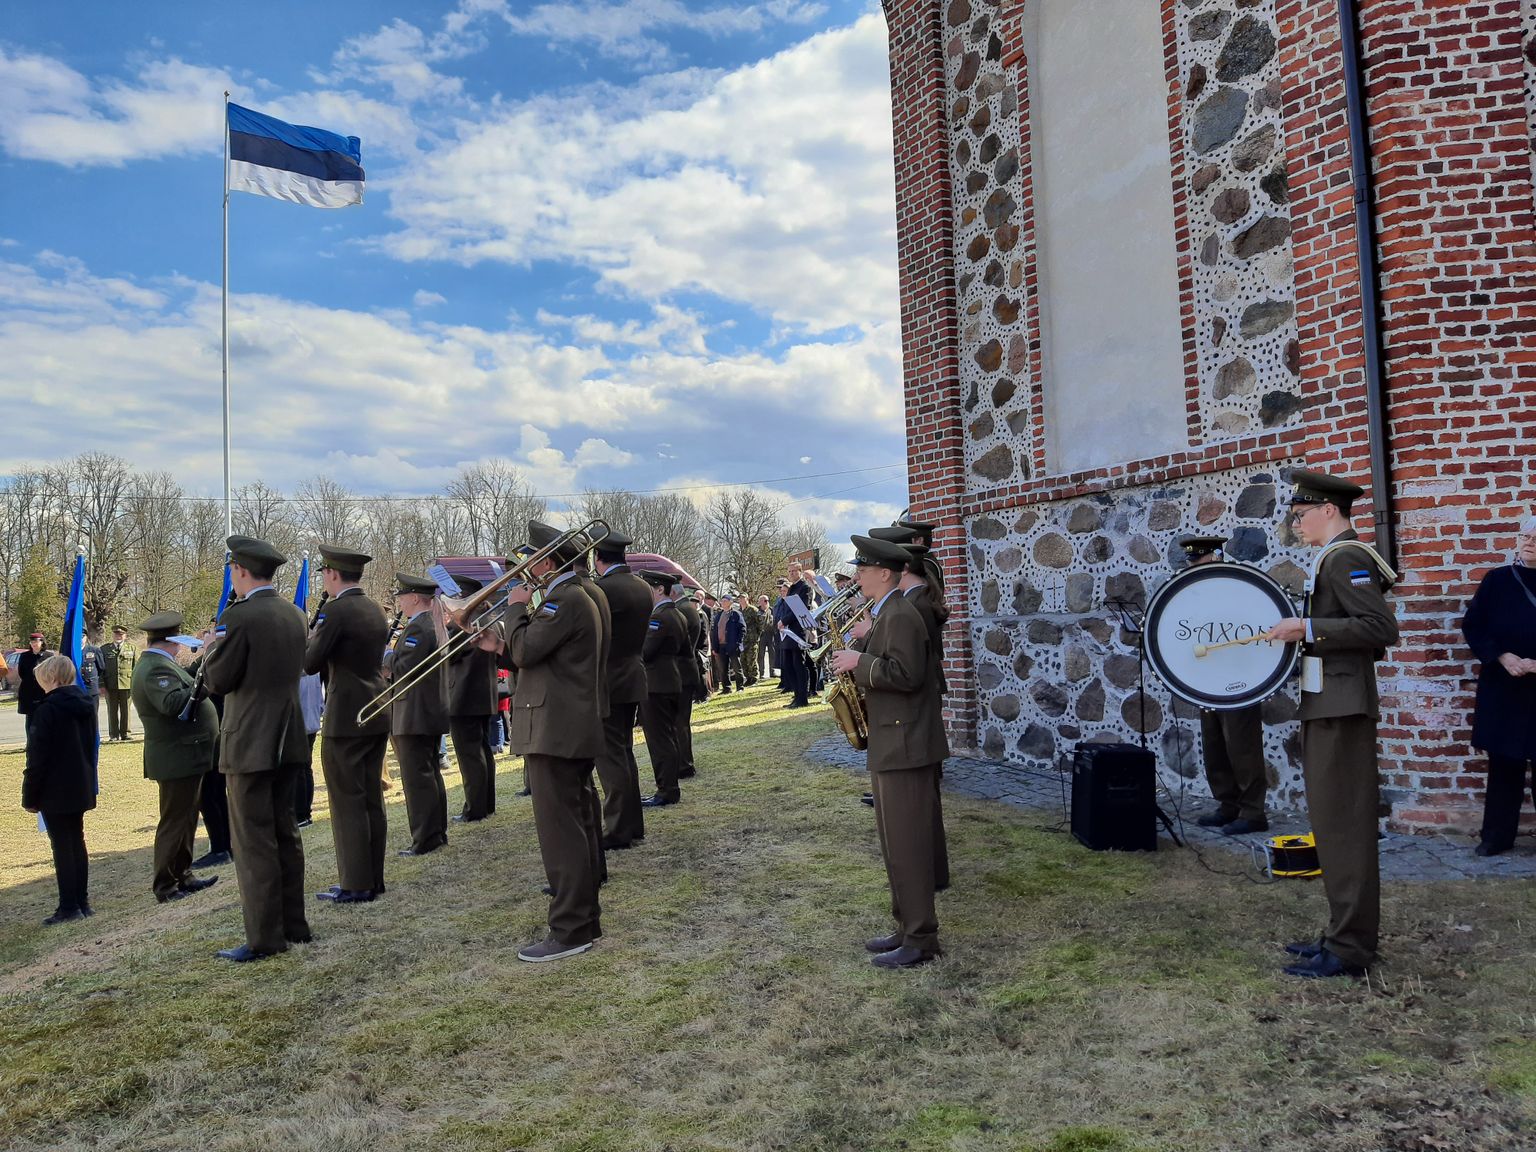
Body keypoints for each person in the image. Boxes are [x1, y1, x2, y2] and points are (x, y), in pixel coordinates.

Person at [1262, 470, 1398, 979]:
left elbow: (1381, 629)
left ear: (1328, 512)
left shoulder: (1347, 558)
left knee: (1345, 827)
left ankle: (1350, 948)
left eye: (1301, 516)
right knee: (1334, 825)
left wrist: (1308, 627)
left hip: (1341, 706)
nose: (1296, 526)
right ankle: (1341, 934)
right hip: (1329, 702)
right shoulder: (1334, 558)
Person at [828, 536, 949, 969]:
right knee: (895, 844)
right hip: (892, 741)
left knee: (909, 845)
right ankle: (905, 926)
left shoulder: (899, 613)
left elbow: (908, 674)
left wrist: (856, 663)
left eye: (863, 569)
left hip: (906, 744)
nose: (856, 576)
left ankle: (921, 938)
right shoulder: (888, 612)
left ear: (885, 573)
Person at [200, 535, 313, 963]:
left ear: (241, 571)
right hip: (289, 737)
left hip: (250, 740)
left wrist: (211, 649)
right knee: (286, 831)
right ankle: (294, 923)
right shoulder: (294, 613)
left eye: (232, 569)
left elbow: (219, 681)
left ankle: (265, 936)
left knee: (252, 840)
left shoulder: (238, 615)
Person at [499, 519, 605, 962]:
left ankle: (571, 928)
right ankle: (582, 920)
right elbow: (540, 656)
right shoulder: (578, 595)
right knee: (574, 824)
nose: (527, 570)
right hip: (568, 725)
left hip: (556, 729)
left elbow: (525, 652)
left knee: (560, 832)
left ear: (548, 560)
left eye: (532, 560)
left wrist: (516, 608)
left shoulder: (563, 599)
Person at [305, 544, 392, 903]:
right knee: (372, 796)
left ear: (332, 574)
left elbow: (311, 662)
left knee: (347, 802)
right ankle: (375, 877)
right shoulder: (374, 608)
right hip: (376, 707)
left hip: (347, 714)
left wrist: (309, 639)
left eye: (324, 573)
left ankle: (356, 883)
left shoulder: (336, 611)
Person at [1175, 534, 1270, 836]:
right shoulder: (1194, 592)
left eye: (1198, 558)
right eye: (1190, 560)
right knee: (1215, 745)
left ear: (1215, 556)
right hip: (1208, 678)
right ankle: (1228, 804)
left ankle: (1253, 812)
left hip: (1239, 676)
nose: (1192, 565)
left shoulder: (1238, 587)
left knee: (1242, 746)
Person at [130, 612, 220, 904]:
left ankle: (184, 873)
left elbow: (188, 682)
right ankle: (166, 884)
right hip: (176, 755)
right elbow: (173, 704)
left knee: (187, 817)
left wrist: (202, 663)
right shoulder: (155, 668)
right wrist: (205, 671)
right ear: (171, 640)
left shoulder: (163, 665)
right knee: (174, 821)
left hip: (186, 753)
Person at [1460, 516, 1536, 856]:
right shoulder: (1498, 580)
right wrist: (1503, 657)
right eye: (1525, 535)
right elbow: (1474, 625)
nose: (1529, 541)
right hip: (1505, 685)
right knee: (1504, 764)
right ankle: (1496, 836)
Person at [21, 655, 97, 924]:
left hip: (55, 786)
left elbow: (37, 758)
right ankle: (82, 901)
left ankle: (69, 906)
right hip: (80, 781)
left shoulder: (47, 710)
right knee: (77, 841)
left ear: (51, 678)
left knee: (63, 845)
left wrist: (29, 795)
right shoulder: (86, 704)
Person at [387, 572, 450, 857]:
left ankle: (425, 837)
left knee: (417, 777)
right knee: (429, 773)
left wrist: (385, 657)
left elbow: (404, 668)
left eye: (401, 595)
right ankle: (435, 832)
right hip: (425, 709)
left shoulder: (417, 628)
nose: (399, 600)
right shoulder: (426, 624)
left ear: (414, 598)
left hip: (415, 711)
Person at [593, 532, 650, 849]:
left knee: (611, 757)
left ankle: (617, 828)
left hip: (610, 680)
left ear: (597, 557)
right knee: (624, 753)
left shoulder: (603, 589)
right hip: (632, 676)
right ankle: (632, 823)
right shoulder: (642, 586)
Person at [447, 576, 500, 824]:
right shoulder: (490, 619)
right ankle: (487, 803)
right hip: (484, 695)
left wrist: (445, 624)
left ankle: (475, 808)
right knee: (483, 751)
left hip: (464, 695)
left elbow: (447, 655)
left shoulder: (464, 623)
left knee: (470, 756)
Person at [639, 570, 688, 808]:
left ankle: (666, 790)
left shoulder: (659, 617)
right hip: (671, 679)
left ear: (659, 590)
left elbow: (646, 651)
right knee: (668, 736)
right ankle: (669, 786)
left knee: (660, 739)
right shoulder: (676, 614)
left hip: (657, 683)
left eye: (649, 588)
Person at [675, 587, 704, 776]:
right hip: (687, 670)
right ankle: (684, 762)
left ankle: (684, 764)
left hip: (680, 672)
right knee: (681, 722)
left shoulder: (681, 611)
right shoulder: (689, 609)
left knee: (679, 722)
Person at [776, 564, 814, 708]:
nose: (791, 573)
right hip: (788, 631)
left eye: (794, 571)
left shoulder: (805, 587)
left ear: (800, 572)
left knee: (799, 664)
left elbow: (801, 609)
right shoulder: (791, 588)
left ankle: (802, 698)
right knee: (788, 665)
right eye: (789, 571)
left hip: (799, 631)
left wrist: (784, 620)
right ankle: (796, 695)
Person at [100, 625, 137, 740]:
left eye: (121, 634)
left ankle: (126, 733)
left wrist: (135, 684)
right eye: (116, 634)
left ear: (125, 636)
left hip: (127, 684)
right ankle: (114, 735)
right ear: (112, 635)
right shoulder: (104, 649)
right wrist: (101, 685)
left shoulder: (132, 649)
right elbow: (101, 669)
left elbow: (136, 668)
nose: (118, 636)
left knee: (126, 710)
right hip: (110, 684)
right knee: (112, 710)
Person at [16, 632, 54, 739]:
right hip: (29, 694)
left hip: (45, 692)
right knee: (31, 723)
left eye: (36, 641)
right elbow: (22, 673)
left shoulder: (49, 656)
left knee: (46, 720)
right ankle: (31, 745)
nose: (34, 644)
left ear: (42, 642)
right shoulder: (25, 656)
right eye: (32, 641)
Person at [712, 594, 747, 693]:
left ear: (730, 602)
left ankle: (740, 687)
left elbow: (743, 629)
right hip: (721, 646)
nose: (723, 603)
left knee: (736, 667)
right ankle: (726, 688)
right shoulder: (719, 615)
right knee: (723, 668)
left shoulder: (736, 614)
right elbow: (715, 631)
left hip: (732, 645)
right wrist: (715, 647)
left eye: (725, 601)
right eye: (722, 601)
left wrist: (738, 643)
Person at [78, 634, 105, 728]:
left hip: (91, 688)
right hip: (77, 688)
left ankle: (94, 738)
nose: (80, 639)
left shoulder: (94, 650)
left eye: (82, 636)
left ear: (86, 638)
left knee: (93, 715)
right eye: (78, 636)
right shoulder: (73, 650)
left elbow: (101, 667)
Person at [741, 596, 763, 687]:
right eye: (740, 598)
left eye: (743, 598)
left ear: (747, 599)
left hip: (752, 639)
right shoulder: (740, 611)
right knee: (743, 660)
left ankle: (754, 678)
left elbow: (760, 623)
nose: (741, 600)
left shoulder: (753, 610)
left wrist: (757, 635)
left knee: (752, 659)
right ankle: (748, 678)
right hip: (743, 640)